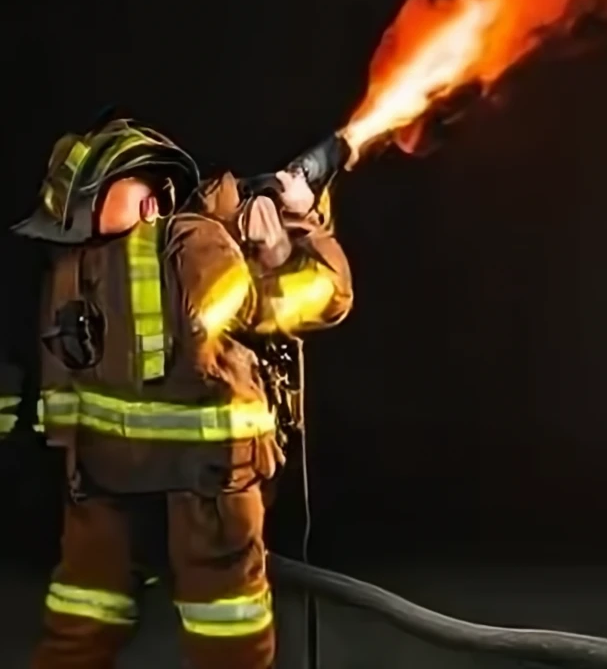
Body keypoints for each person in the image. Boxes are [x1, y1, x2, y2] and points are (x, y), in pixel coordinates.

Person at [12, 117, 353, 669]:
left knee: (83, 621)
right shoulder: (196, 245)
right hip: (208, 481)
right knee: (227, 631)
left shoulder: (72, 262)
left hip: (101, 475)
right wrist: (298, 225)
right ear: (156, 200)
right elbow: (314, 299)